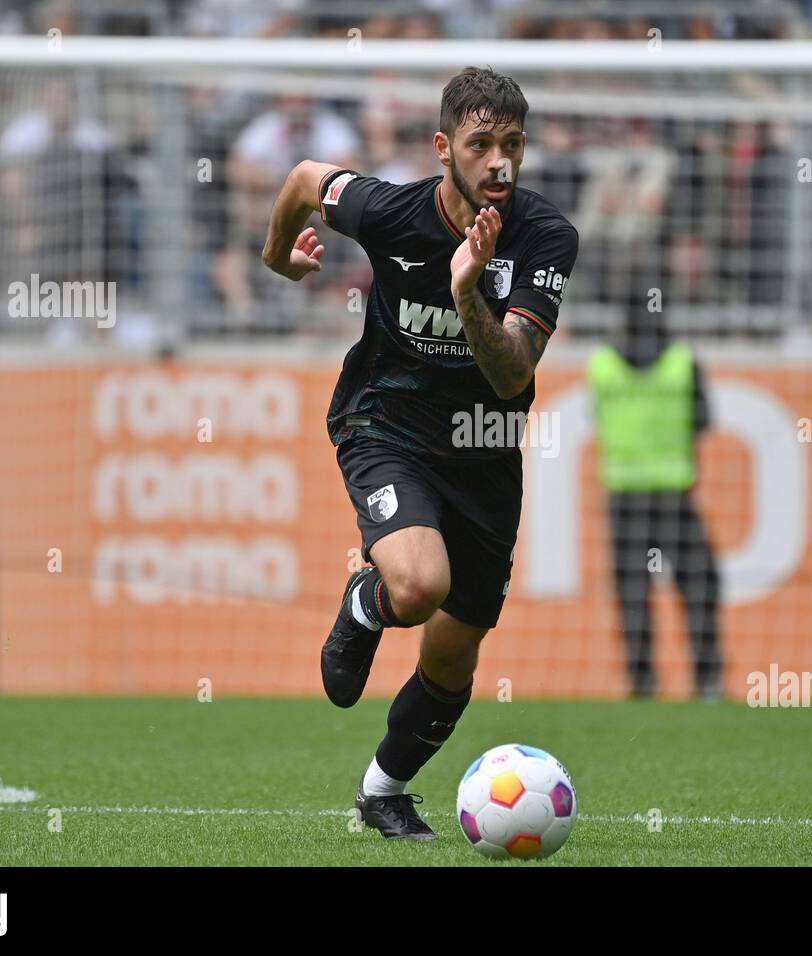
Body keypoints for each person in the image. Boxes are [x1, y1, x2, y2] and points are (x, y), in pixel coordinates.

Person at [261, 67, 579, 840]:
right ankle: (365, 602)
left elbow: (511, 376)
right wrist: (278, 258)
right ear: (444, 149)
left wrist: (468, 291)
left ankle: (383, 792)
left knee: (452, 660)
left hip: (485, 450)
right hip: (386, 426)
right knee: (417, 585)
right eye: (480, 145)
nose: (498, 162)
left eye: (511, 144)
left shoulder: (546, 237)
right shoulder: (392, 213)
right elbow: (306, 177)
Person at [587, 281, 723, 698]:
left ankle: (642, 680)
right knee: (700, 584)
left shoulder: (602, 364)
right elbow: (703, 420)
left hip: (625, 495)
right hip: (673, 495)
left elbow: (597, 418)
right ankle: (707, 679)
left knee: (632, 593)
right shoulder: (682, 361)